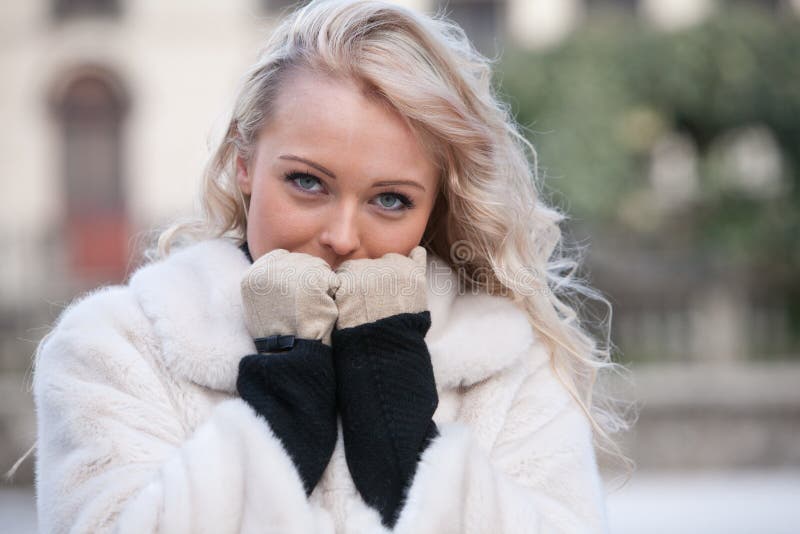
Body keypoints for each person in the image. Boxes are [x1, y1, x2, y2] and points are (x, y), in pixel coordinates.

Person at [31, 0, 631, 532]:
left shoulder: (505, 364)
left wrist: (409, 454)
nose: (343, 236)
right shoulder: (118, 349)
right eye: (307, 183)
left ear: (435, 205)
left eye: (390, 199)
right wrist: (279, 423)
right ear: (244, 161)